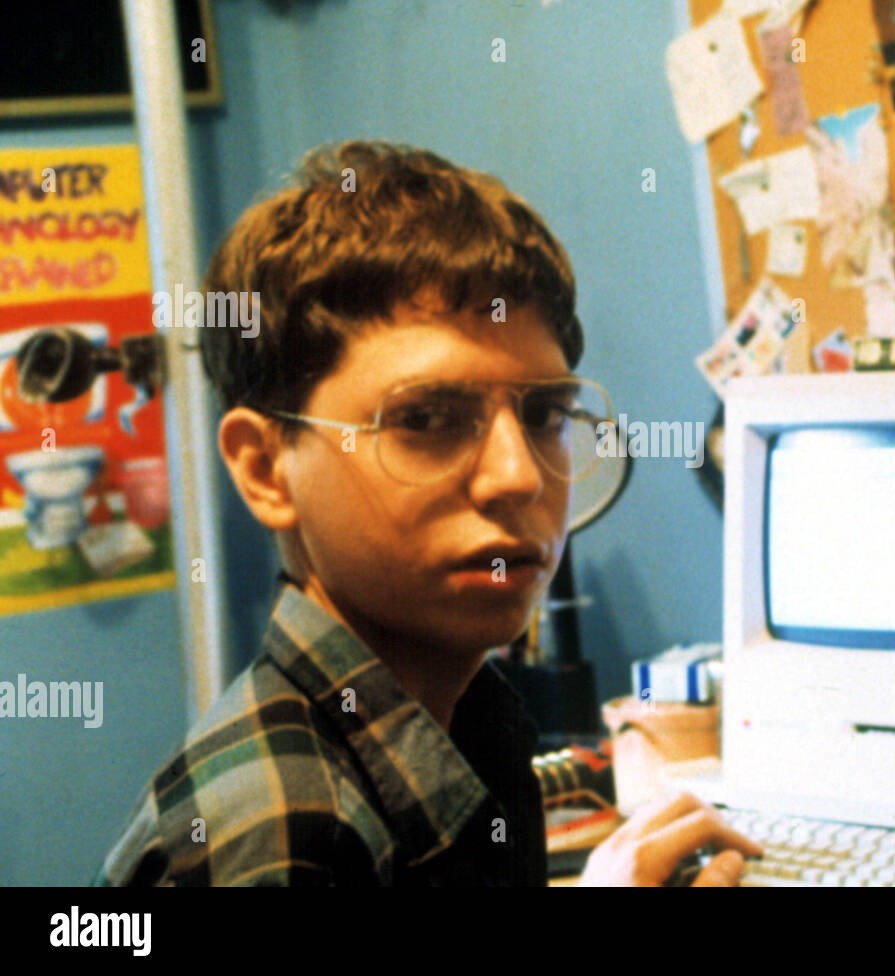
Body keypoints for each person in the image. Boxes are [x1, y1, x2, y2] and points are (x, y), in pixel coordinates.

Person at [94, 141, 760, 886]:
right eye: (429, 419)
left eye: (544, 413)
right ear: (265, 468)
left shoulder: (464, 718)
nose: (517, 477)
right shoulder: (284, 839)